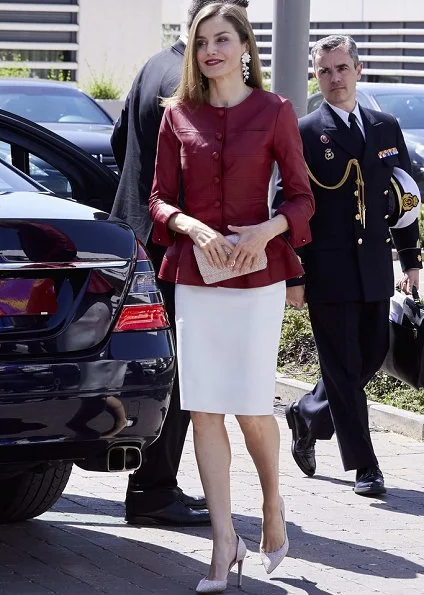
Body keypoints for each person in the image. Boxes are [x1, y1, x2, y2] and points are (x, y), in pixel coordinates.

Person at [149, 4, 314, 592]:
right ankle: (224, 541)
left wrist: (267, 231)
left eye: (222, 39)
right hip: (197, 280)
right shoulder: (177, 115)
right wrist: (191, 228)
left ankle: (272, 504)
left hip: (257, 277)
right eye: (200, 43)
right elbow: (159, 200)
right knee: (203, 409)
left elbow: (300, 199)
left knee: (249, 407)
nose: (211, 50)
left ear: (245, 46)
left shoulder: (274, 112)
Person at [111, 0, 250, 527]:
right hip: (181, 245)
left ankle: (148, 482)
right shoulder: (196, 79)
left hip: (137, 234)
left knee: (159, 366)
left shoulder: (152, 64)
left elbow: (118, 141)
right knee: (183, 372)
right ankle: (153, 490)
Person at [281, 35, 422, 496]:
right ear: (315, 77)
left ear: (358, 70)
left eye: (341, 69)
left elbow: (403, 198)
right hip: (327, 267)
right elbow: (289, 207)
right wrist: (295, 273)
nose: (334, 79)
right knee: (341, 366)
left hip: (375, 264)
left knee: (371, 353)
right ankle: (365, 466)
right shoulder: (303, 132)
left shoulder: (385, 126)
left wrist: (410, 259)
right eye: (324, 72)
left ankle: (307, 413)